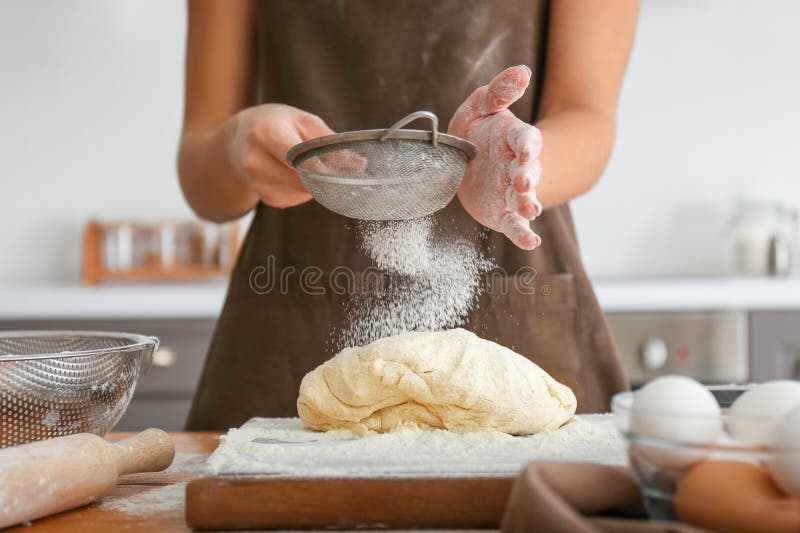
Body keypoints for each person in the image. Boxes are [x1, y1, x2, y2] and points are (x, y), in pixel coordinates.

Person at [179, 0, 641, 430]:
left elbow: (587, 115)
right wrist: (238, 144)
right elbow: (200, 171)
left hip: (510, 286)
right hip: (295, 308)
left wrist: (518, 166)